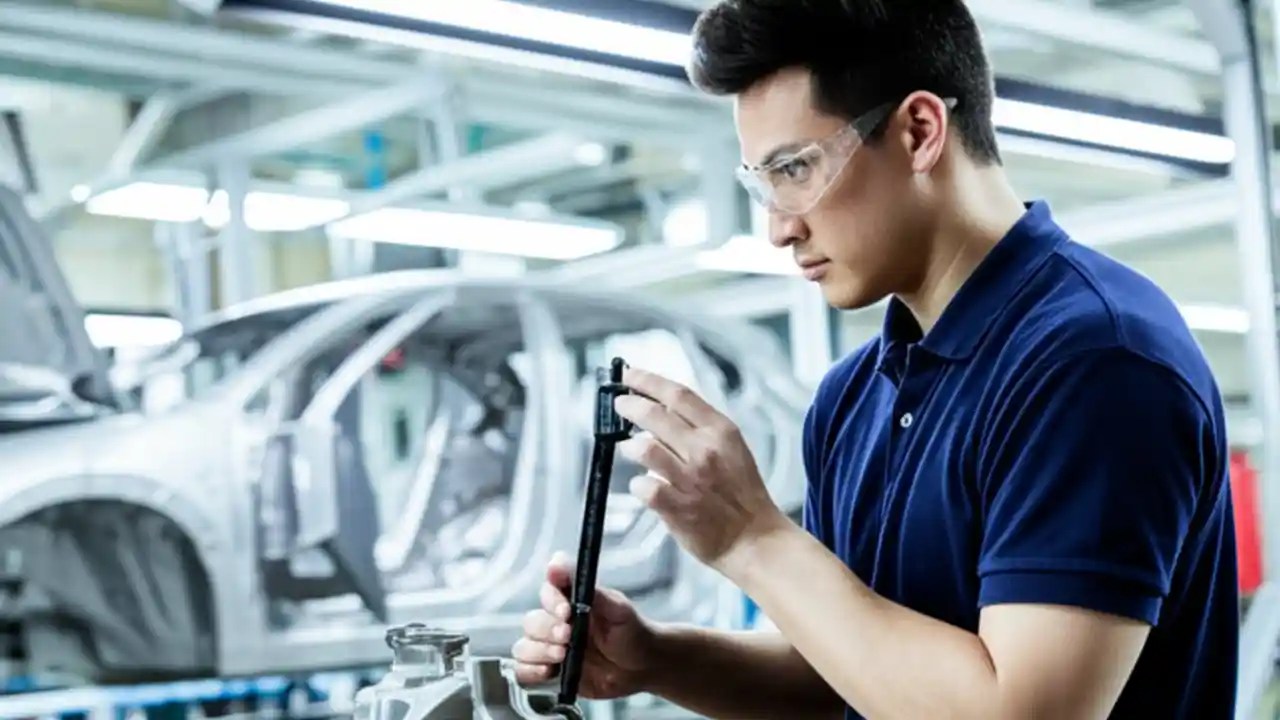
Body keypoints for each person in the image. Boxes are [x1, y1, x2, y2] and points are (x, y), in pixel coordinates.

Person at [512, 1, 1240, 717]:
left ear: (920, 131)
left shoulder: (1094, 360)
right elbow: (848, 673)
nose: (779, 227)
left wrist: (753, 539)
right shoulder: (853, 397)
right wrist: (662, 660)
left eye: (794, 169)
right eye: (760, 183)